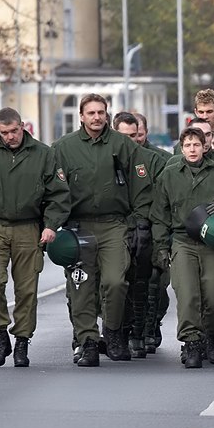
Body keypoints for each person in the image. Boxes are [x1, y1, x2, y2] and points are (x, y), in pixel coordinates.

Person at [0, 108, 71, 368]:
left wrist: (51, 225)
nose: (9, 137)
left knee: (26, 290)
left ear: (22, 127)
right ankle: (0, 335)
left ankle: (21, 342)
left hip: (28, 228)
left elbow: (59, 195)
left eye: (14, 131)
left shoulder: (42, 153)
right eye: (4, 132)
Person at [51, 93, 153, 367]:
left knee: (116, 282)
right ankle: (87, 342)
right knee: (81, 285)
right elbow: (51, 189)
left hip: (114, 225)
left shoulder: (123, 145)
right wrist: (51, 224)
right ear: (81, 116)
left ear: (107, 115)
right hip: (78, 227)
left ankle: (113, 332)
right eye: (91, 113)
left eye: (101, 112)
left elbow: (141, 186)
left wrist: (138, 222)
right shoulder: (63, 147)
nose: (97, 117)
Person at [150, 127, 214, 368]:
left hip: (213, 242)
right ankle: (191, 342)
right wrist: (161, 247)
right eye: (187, 145)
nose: (192, 149)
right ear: (181, 148)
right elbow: (159, 214)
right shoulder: (169, 175)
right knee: (187, 294)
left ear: (205, 146)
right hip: (183, 241)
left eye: (196, 144)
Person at [112, 111, 164, 359]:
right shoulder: (107, 159)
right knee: (113, 283)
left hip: (143, 228)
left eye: (134, 136)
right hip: (114, 227)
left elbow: (158, 198)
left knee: (142, 282)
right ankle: (114, 332)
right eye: (125, 136)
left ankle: (137, 332)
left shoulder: (151, 160)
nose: (130, 141)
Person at [133, 111, 172, 355]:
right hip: (130, 229)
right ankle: (132, 329)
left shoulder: (160, 160)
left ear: (145, 133)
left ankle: (151, 324)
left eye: (139, 134)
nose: (135, 139)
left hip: (154, 228)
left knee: (156, 283)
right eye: (130, 135)